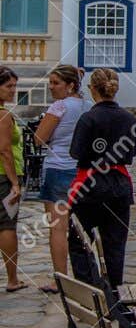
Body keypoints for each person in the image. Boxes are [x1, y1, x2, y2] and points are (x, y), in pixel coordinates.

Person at [68, 67, 136, 289]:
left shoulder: (88, 118)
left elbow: (76, 152)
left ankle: (89, 286)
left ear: (93, 89)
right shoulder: (130, 119)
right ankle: (114, 292)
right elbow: (130, 154)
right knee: (115, 245)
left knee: (80, 242)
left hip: (89, 186)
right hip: (118, 185)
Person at [34, 65, 85, 290]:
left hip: (58, 167)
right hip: (80, 169)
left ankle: (61, 279)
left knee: (58, 228)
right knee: (81, 226)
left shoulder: (59, 106)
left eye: (56, 83)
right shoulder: (87, 106)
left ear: (70, 85)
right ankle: (85, 275)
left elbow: (39, 138)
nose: (51, 87)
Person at [0, 68, 25, 292]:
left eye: (15, 86)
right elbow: (5, 150)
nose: (13, 90)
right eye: (9, 86)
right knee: (7, 225)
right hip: (3, 177)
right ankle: (12, 278)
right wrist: (14, 182)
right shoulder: (3, 115)